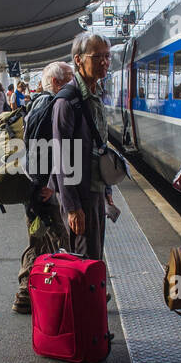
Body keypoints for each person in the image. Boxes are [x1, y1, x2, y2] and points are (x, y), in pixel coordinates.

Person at [13, 60, 73, 313]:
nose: (74, 82)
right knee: (58, 239)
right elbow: (42, 149)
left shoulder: (38, 102)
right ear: (57, 82)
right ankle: (65, 292)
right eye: (70, 77)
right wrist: (47, 185)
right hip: (40, 189)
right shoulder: (50, 106)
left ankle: (27, 294)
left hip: (34, 187)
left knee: (38, 238)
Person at [50, 33, 115, 263]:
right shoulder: (67, 101)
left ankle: (94, 297)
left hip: (95, 189)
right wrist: (71, 207)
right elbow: (62, 158)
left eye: (108, 56)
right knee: (83, 260)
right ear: (78, 60)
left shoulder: (95, 95)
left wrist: (107, 190)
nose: (105, 62)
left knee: (94, 256)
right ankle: (85, 299)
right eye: (98, 56)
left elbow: (100, 145)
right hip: (80, 194)